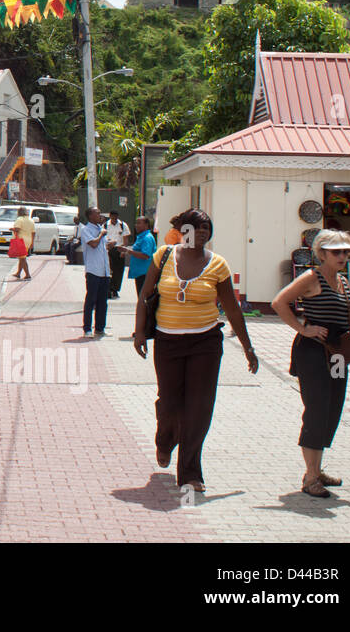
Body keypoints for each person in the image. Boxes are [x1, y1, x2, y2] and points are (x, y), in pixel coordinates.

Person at [132, 208, 258, 493]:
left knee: (199, 408)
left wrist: (248, 347)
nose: (202, 232)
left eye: (206, 228)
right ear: (182, 229)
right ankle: (165, 439)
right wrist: (140, 332)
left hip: (206, 343)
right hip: (167, 342)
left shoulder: (217, 264)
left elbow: (233, 310)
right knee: (170, 405)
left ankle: (190, 472)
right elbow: (144, 296)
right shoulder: (163, 255)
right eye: (196, 227)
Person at [271, 229, 350, 497]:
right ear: (322, 253)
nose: (342, 256)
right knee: (316, 409)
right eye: (336, 251)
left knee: (332, 408)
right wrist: (303, 330)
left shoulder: (343, 282)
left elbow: (349, 322)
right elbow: (279, 302)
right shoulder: (311, 277)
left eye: (346, 251)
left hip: (338, 352)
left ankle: (317, 469)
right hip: (314, 352)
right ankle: (310, 477)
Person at [80, 207, 110, 337]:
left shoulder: (100, 229)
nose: (100, 215)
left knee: (102, 301)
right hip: (93, 270)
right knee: (91, 300)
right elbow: (93, 244)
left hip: (104, 271)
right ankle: (87, 328)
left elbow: (103, 247)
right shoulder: (86, 229)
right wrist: (101, 234)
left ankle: (100, 328)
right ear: (90, 215)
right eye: (97, 213)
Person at [122, 216, 157, 303]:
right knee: (142, 298)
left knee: (144, 300)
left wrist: (128, 251)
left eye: (139, 223)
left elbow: (145, 255)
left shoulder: (147, 238)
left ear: (146, 225)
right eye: (136, 223)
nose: (136, 225)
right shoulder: (141, 237)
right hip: (140, 273)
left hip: (144, 273)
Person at [105, 211, 132, 298]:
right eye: (112, 218)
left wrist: (124, 251)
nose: (114, 220)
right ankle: (109, 289)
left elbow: (126, 239)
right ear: (110, 217)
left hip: (119, 249)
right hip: (109, 249)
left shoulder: (123, 225)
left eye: (115, 218)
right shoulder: (105, 225)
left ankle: (115, 289)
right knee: (109, 270)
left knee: (119, 271)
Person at [11, 207, 35, 280]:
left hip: (21, 240)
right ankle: (18, 273)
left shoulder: (19, 219)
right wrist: (32, 242)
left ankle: (28, 274)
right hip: (28, 240)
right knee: (21, 257)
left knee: (23, 258)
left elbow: (17, 229)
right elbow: (33, 232)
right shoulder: (31, 220)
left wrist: (12, 229)